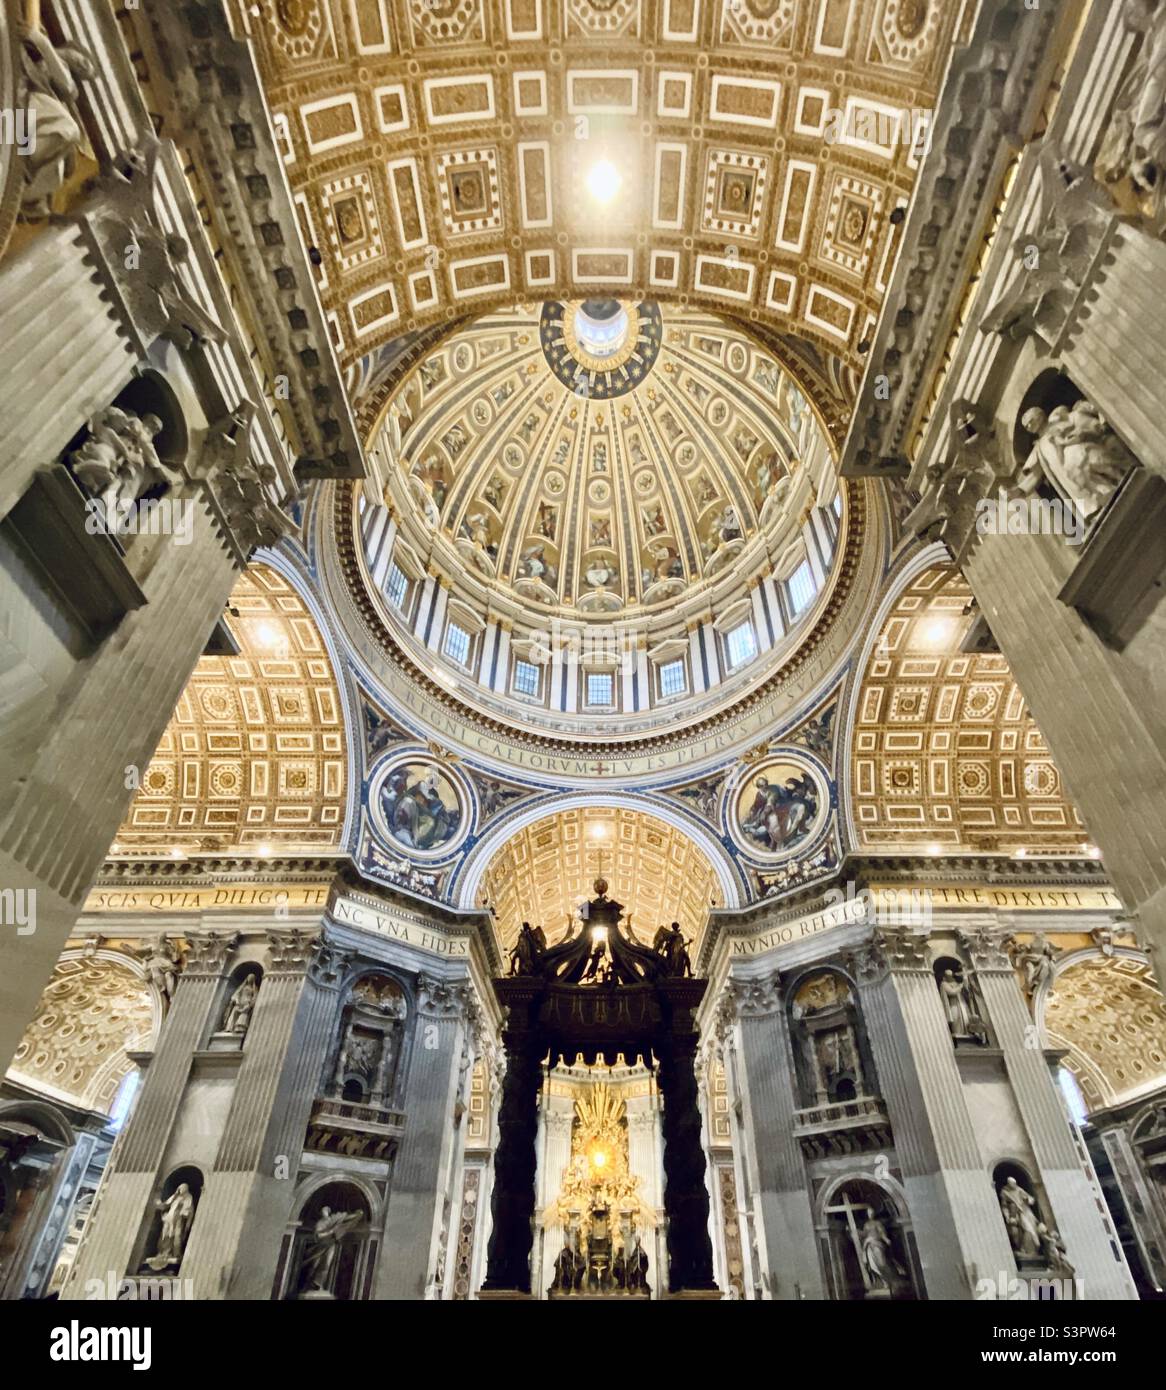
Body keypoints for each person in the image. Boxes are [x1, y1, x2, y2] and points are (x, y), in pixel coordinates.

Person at [142, 1183, 195, 1272]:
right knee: (164, 1236)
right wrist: (158, 1203)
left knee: (176, 1237)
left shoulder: (188, 1198)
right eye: (179, 1188)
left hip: (178, 1220)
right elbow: (165, 1205)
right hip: (168, 1220)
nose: (180, 1190)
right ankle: (163, 1253)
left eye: (182, 1189)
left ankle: (174, 1254)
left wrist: (181, 1213)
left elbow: (188, 1211)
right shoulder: (175, 1197)